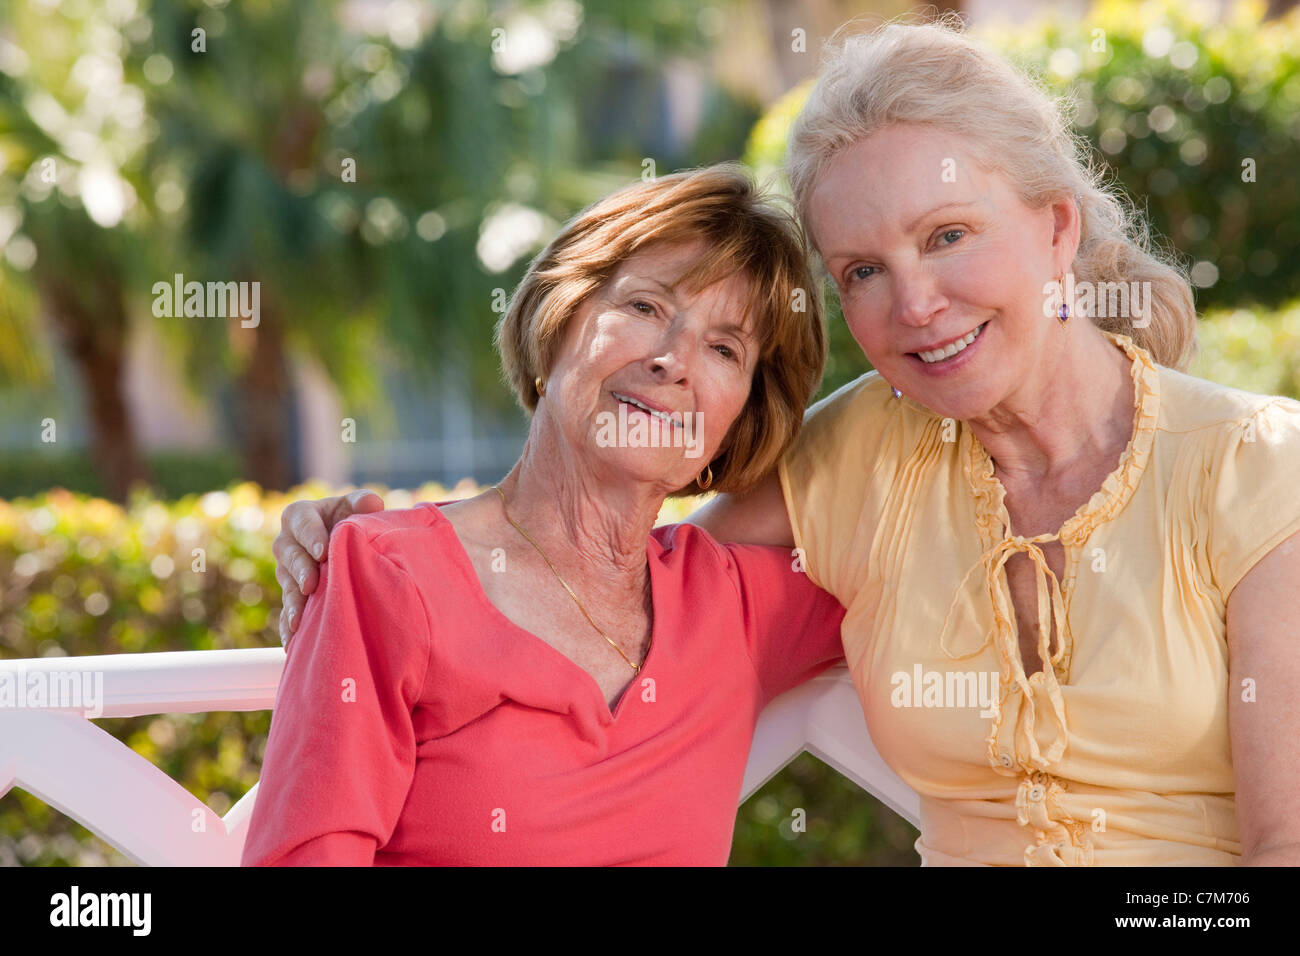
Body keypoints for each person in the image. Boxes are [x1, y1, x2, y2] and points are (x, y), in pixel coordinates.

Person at [277, 18, 1300, 866]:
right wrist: (363, 557)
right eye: (859, 270)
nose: (914, 303)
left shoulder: (1258, 464)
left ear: (1057, 230)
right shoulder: (859, 458)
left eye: (946, 234)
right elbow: (614, 544)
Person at [241, 164, 847, 866]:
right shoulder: (385, 575)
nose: (673, 361)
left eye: (723, 349)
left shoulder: (740, 607)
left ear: (740, 415)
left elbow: (919, 499)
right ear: (557, 319)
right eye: (645, 308)